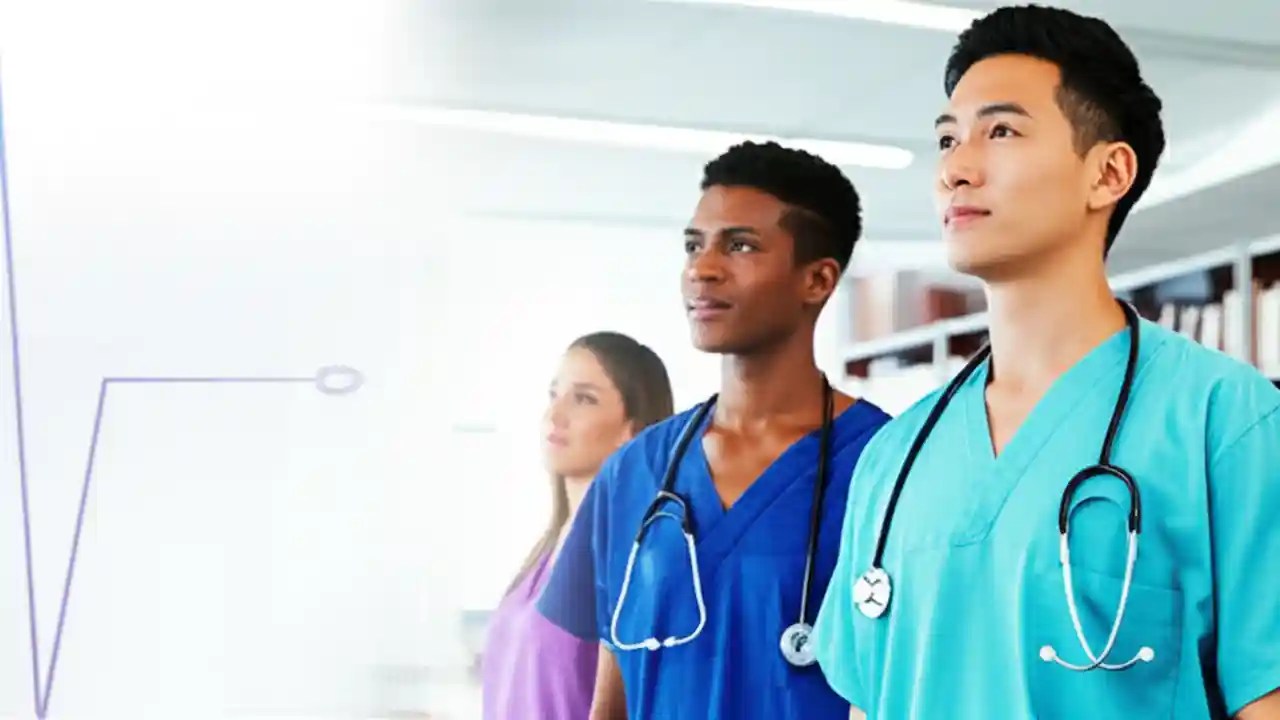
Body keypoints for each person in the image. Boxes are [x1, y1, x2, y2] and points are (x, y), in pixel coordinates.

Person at [812, 5, 1280, 719]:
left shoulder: (1227, 423)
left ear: (1108, 173)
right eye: (947, 139)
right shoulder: (893, 460)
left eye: (1000, 131)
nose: (956, 170)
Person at [537, 140, 892, 719]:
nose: (702, 269)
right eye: (694, 245)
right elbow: (611, 698)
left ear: (818, 279)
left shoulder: (887, 467)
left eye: (741, 245)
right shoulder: (636, 471)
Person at [481, 331, 674, 720]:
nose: (555, 415)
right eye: (554, 395)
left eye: (583, 399)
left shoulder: (637, 561)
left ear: (632, 431)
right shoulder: (544, 554)